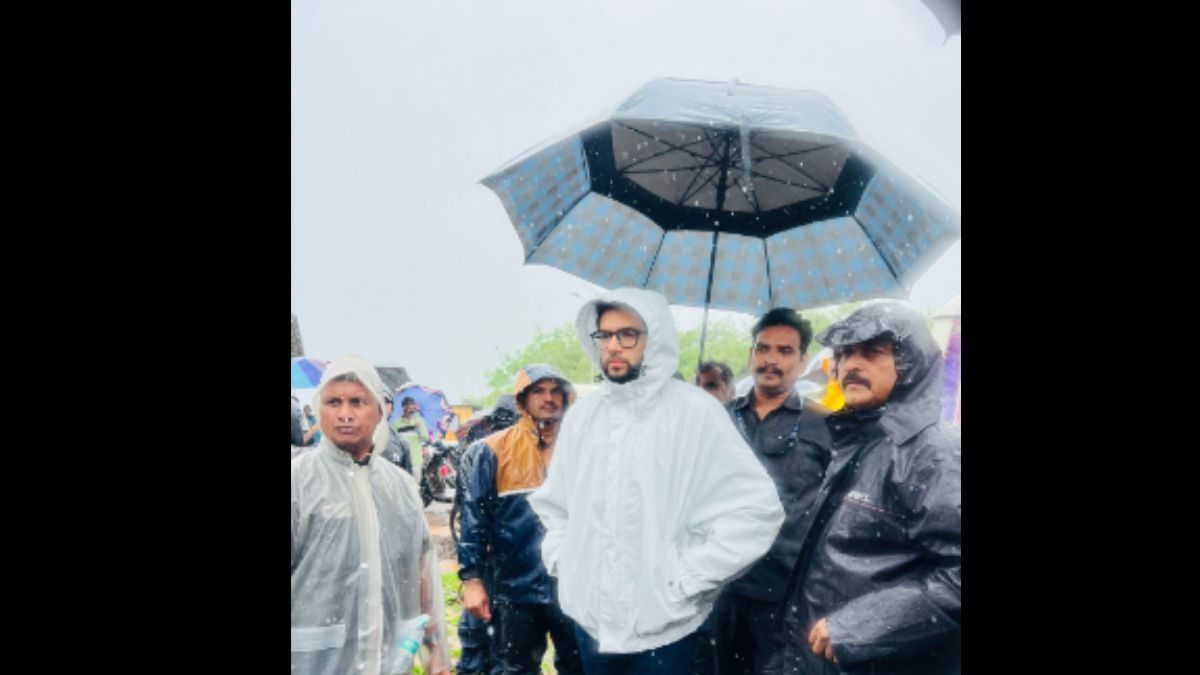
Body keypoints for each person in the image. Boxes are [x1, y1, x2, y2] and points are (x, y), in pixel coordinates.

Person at [527, 288, 784, 674]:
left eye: (628, 334)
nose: (614, 346)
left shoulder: (695, 412)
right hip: (592, 625)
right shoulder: (584, 416)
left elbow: (756, 510)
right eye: (605, 335)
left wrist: (686, 579)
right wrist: (568, 563)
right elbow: (557, 506)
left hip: (667, 630)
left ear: (655, 337)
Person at [782, 302, 961, 675]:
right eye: (844, 353)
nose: (851, 365)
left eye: (871, 352)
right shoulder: (859, 437)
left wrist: (861, 626)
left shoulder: (933, 452)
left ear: (909, 361)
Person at [291, 354, 450, 675]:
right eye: (333, 402)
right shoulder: (299, 481)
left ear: (380, 411)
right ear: (320, 410)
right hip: (312, 660)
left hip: (387, 658)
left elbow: (422, 573)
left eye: (358, 402)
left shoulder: (401, 488)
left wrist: (436, 650)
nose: (345, 414)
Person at [709, 308, 832, 675]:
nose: (771, 360)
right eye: (763, 349)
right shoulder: (717, 419)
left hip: (789, 593)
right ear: (751, 355)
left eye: (784, 351)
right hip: (721, 587)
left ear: (802, 360)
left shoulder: (825, 425)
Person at [458, 364, 584, 675]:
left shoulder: (582, 446)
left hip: (574, 583)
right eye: (539, 391)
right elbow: (474, 521)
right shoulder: (492, 450)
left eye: (556, 391)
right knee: (514, 669)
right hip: (515, 587)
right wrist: (473, 580)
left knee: (580, 666)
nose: (549, 398)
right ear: (522, 399)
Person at [392, 396, 430, 476]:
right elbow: (394, 442)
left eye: (414, 405)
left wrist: (419, 428)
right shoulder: (395, 424)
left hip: (416, 461)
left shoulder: (419, 421)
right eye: (411, 404)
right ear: (404, 406)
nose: (413, 407)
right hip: (401, 461)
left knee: (415, 487)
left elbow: (425, 437)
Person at [380, 392, 414, 475]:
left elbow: (406, 480)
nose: (380, 405)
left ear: (391, 409)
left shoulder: (402, 444)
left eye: (385, 402)